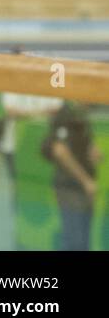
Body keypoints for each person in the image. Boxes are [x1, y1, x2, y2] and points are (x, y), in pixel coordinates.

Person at [44, 100, 101, 251]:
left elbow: (81, 146)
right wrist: (86, 180)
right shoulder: (64, 115)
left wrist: (91, 152)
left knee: (83, 241)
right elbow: (60, 151)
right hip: (70, 187)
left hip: (82, 188)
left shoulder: (81, 116)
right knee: (75, 241)